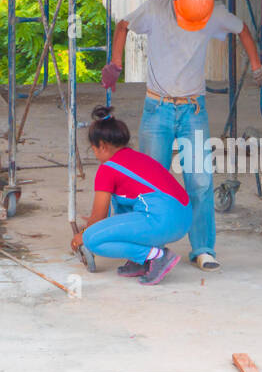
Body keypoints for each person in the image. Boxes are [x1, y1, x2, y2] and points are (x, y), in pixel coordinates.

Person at [102, 0, 262, 271]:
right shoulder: (155, 11)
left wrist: (257, 67)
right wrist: (116, 63)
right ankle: (146, 252)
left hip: (193, 111)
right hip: (157, 110)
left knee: (201, 181)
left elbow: (242, 29)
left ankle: (203, 249)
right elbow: (123, 25)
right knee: (146, 183)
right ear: (177, 3)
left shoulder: (211, 11)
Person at [71, 105, 192, 285]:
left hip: (160, 220)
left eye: (94, 149)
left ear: (102, 146)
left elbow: (99, 217)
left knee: (92, 239)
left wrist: (82, 234)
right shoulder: (137, 157)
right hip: (183, 219)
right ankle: (140, 261)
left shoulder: (107, 169)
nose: (95, 155)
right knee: (123, 209)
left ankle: (157, 256)